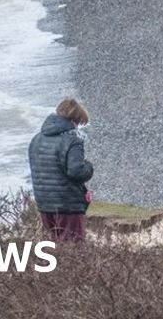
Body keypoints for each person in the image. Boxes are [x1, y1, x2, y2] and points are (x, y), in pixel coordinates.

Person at [28, 97, 95, 242]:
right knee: (74, 250)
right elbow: (76, 171)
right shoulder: (72, 140)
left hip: (44, 203)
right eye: (79, 123)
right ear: (74, 120)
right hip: (67, 205)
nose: (78, 127)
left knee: (54, 247)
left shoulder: (36, 139)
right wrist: (89, 167)